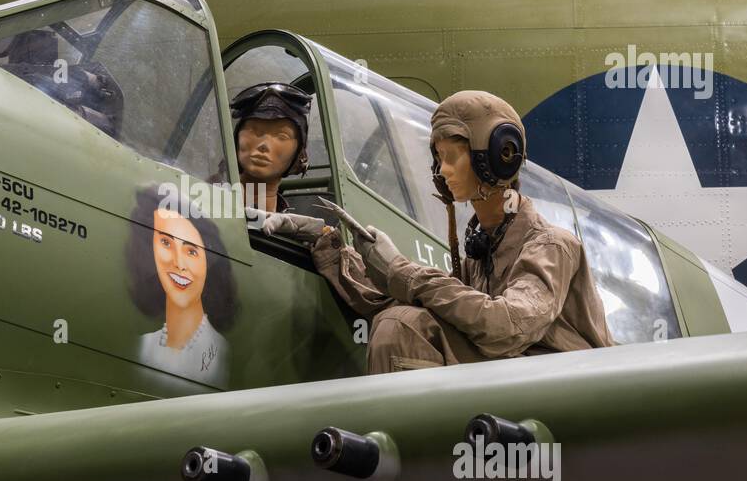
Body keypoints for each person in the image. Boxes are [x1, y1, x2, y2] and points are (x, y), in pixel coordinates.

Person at [260, 90, 612, 373]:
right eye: (438, 158)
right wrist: (325, 242)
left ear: (496, 157)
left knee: (404, 325)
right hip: (511, 409)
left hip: (566, 415)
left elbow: (507, 327)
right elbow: (398, 299)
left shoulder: (552, 245)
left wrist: (402, 270)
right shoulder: (482, 252)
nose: (442, 171)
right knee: (400, 317)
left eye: (451, 157)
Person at [126, 186, 237, 387]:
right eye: (166, 244)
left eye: (191, 251)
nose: (178, 263)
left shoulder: (222, 353)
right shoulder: (144, 345)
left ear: (209, 263)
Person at [229, 81, 312, 213]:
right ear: (236, 139)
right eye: (254, 131)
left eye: (282, 136)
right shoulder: (195, 199)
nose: (264, 145)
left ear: (299, 155)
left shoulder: (294, 231)